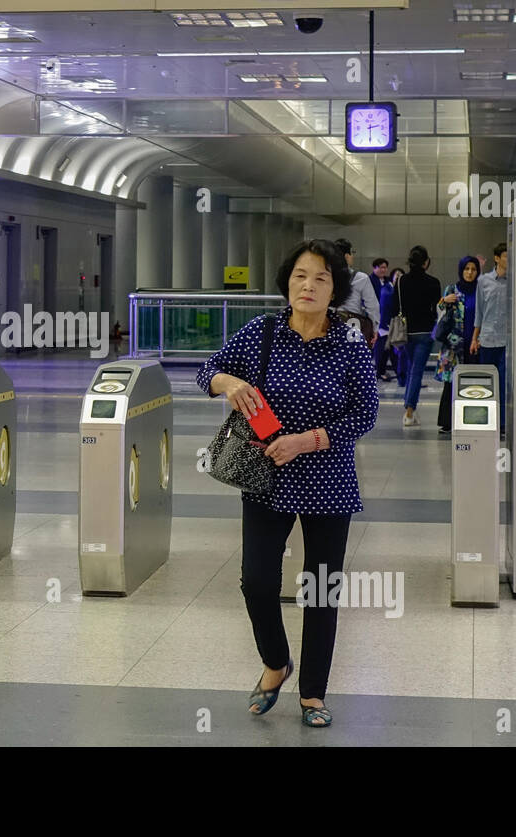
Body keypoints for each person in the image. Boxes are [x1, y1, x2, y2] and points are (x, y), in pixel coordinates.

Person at [196, 239, 378, 729]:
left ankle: (313, 693)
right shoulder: (263, 331)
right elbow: (206, 371)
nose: (309, 285)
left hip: (328, 480)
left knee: (320, 590)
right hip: (265, 476)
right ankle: (276, 664)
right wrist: (229, 385)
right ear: (288, 282)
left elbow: (365, 414)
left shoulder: (350, 342)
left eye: (321, 277)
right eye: (301, 275)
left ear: (335, 287)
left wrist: (308, 440)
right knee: (256, 582)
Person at [435, 256, 481, 434]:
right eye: (466, 269)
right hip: (453, 346)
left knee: (474, 383)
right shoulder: (452, 289)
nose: (470, 273)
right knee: (450, 384)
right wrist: (444, 301)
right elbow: (438, 309)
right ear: (461, 270)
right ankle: (447, 422)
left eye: (473, 269)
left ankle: (473, 418)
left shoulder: (480, 290)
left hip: (475, 344)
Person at [398, 245, 441, 427]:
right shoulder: (433, 282)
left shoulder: (401, 281)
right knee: (416, 372)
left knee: (411, 370)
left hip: (405, 331)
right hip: (425, 332)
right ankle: (409, 411)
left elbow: (395, 306)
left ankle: (410, 410)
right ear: (426, 262)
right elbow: (437, 308)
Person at [470, 242, 509, 423]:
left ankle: (501, 424)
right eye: (506, 256)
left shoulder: (515, 281)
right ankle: (487, 420)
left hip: (506, 342)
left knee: (503, 384)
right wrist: (474, 338)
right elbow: (480, 311)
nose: (509, 260)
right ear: (497, 258)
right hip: (487, 339)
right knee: (487, 383)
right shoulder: (483, 281)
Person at [333, 238, 380, 344]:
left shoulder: (325, 276)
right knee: (352, 356)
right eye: (352, 253)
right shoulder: (361, 277)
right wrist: (375, 328)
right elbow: (372, 306)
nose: (353, 256)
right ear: (346, 256)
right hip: (353, 325)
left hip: (329, 323)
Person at [380, 266, 404, 381]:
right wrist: (386, 324)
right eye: (397, 275)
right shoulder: (388, 290)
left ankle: (397, 373)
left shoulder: (395, 289)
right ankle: (384, 372)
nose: (399, 277)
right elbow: (385, 308)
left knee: (390, 351)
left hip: (392, 325)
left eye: (401, 275)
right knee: (386, 350)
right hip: (387, 325)